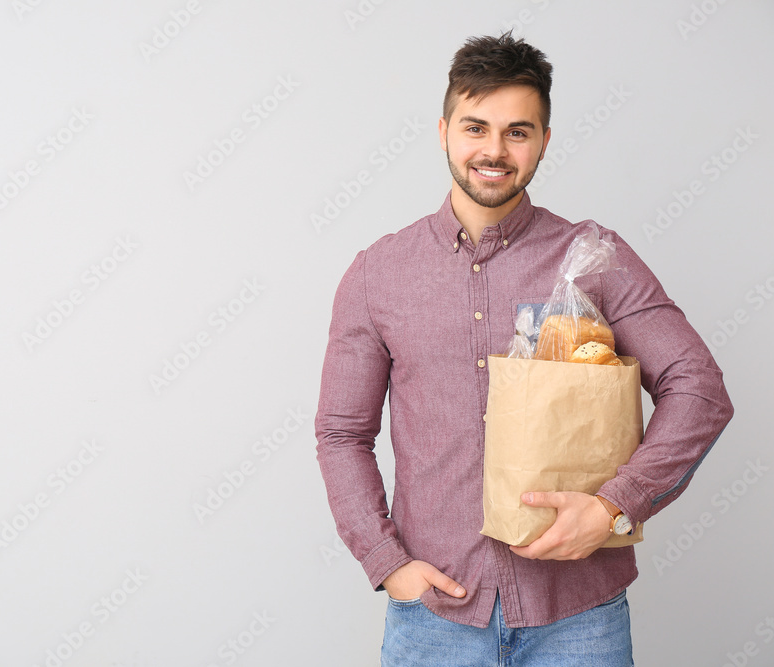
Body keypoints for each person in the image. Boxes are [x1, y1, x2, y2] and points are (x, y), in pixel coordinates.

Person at [313, 32, 733, 666]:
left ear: (542, 139)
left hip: (578, 619)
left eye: (517, 131)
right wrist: (386, 562)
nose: (494, 150)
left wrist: (615, 507)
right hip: (434, 618)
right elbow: (341, 434)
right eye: (476, 127)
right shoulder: (378, 274)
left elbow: (699, 389)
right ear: (444, 130)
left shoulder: (595, 259)